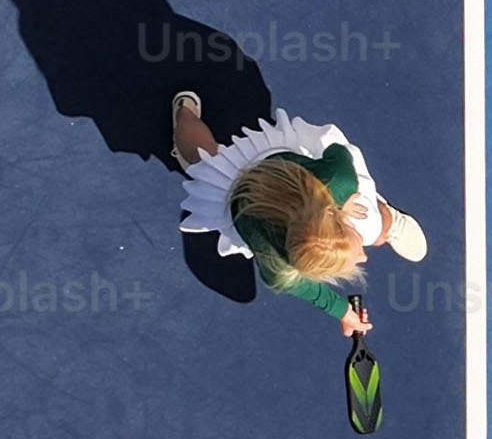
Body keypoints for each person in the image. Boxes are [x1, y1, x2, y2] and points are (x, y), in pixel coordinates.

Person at [173, 86, 427, 344]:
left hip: (266, 169)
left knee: (200, 158)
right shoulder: (277, 271)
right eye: (358, 251)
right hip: (239, 194)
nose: (363, 256)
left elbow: (337, 151)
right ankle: (387, 221)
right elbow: (306, 289)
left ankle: (184, 113)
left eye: (356, 251)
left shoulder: (338, 181)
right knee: (374, 232)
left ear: (333, 212)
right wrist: (342, 312)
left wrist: (342, 195)